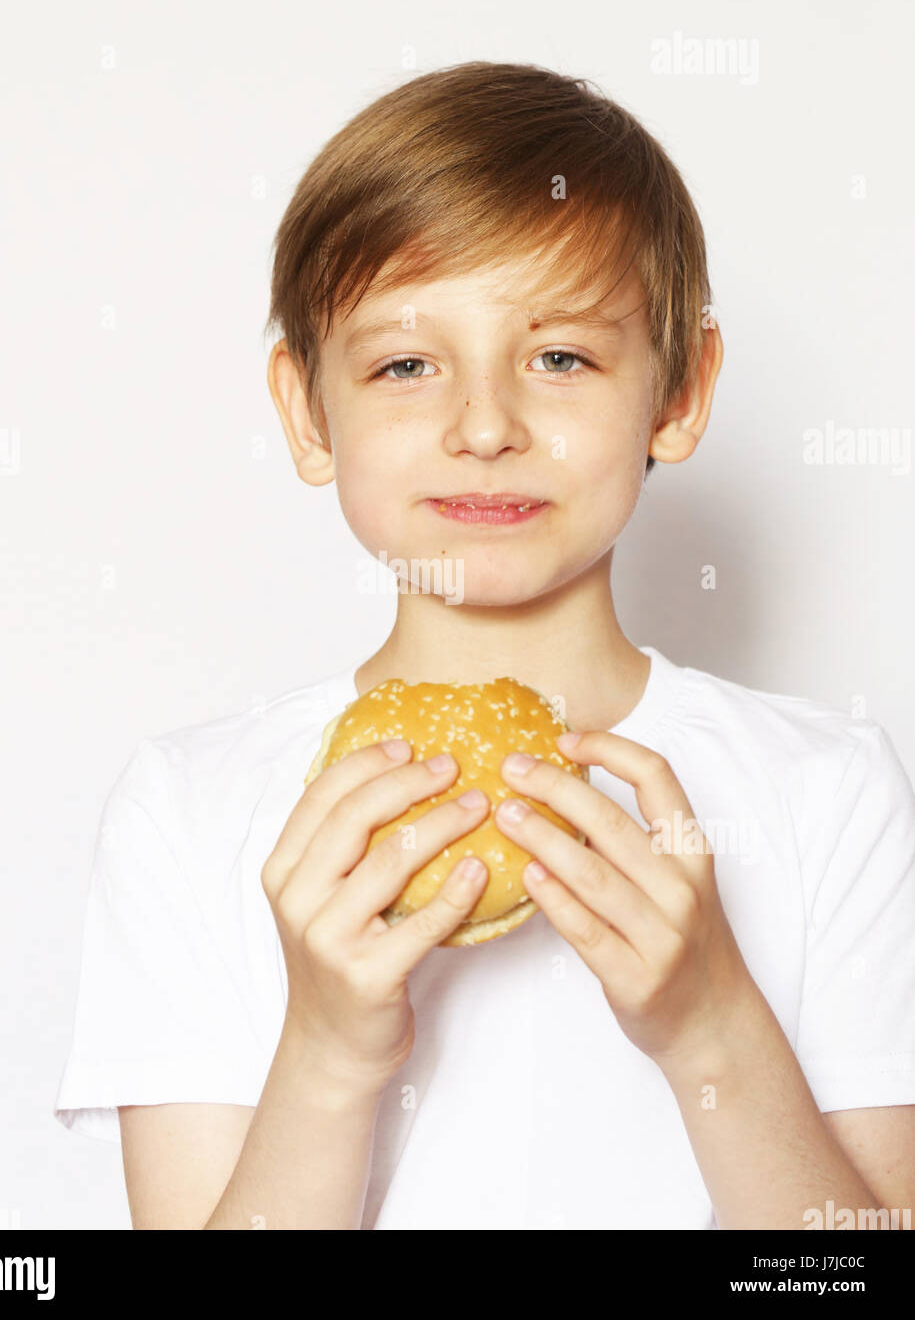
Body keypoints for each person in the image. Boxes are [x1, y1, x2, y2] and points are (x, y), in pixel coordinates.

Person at [54, 60, 915, 1230]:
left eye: (560, 356)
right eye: (406, 364)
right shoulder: (189, 812)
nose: (485, 426)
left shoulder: (830, 792)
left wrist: (711, 1020)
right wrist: (326, 1051)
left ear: (681, 390)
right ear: (308, 412)